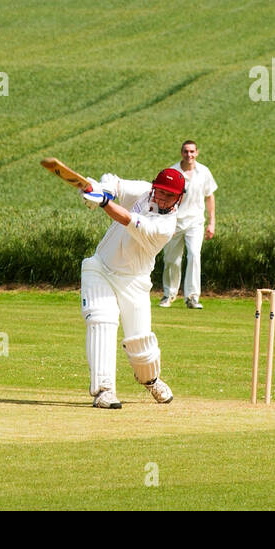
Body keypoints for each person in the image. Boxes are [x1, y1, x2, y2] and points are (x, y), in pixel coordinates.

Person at [78, 166, 186, 409]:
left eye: (169, 196)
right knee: (101, 321)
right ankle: (104, 391)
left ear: (179, 198)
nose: (161, 198)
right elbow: (114, 183)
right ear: (154, 187)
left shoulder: (166, 227)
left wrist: (103, 202)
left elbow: (126, 219)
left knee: (141, 347)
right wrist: (100, 189)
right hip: (101, 268)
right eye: (160, 192)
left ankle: (150, 379)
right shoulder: (144, 192)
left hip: (134, 281)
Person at [160, 140, 218, 310]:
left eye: (192, 151)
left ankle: (192, 297)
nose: (189, 155)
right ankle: (169, 295)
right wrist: (164, 221)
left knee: (194, 255)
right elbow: (163, 198)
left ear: (197, 153)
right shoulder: (172, 172)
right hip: (174, 221)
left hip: (196, 222)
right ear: (181, 153)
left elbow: (210, 196)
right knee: (172, 259)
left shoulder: (204, 172)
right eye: (186, 151)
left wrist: (212, 222)